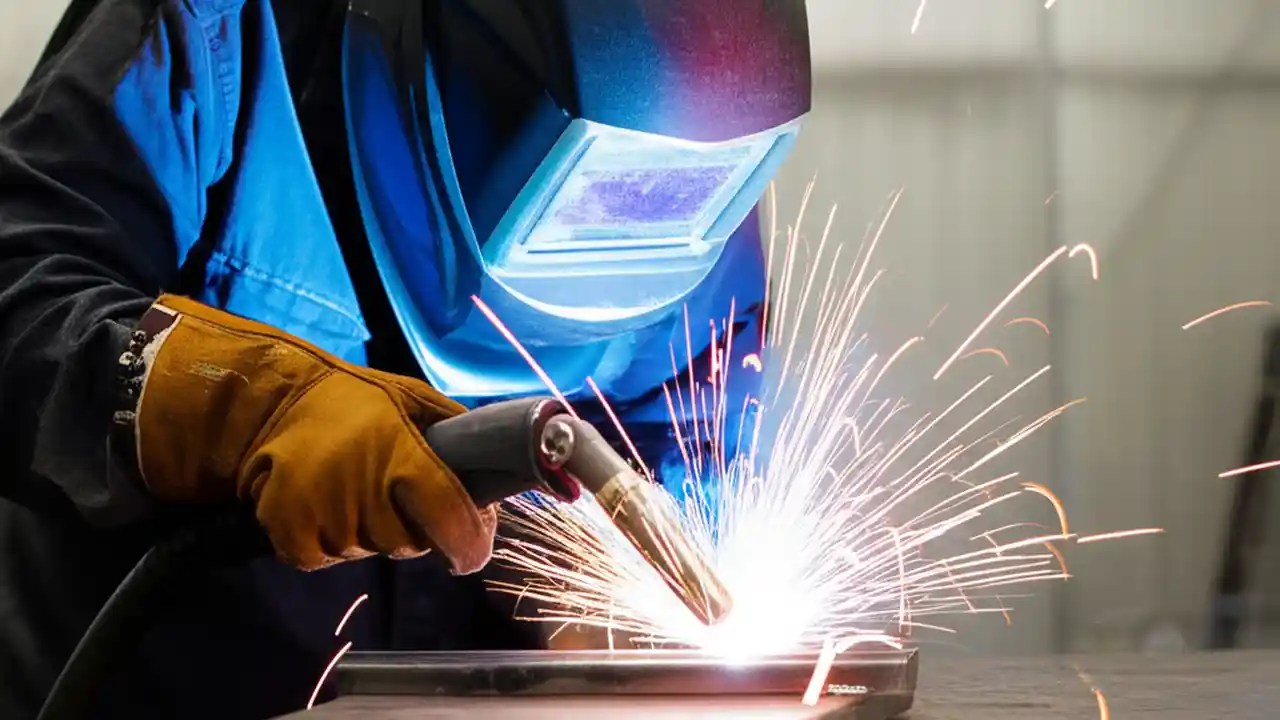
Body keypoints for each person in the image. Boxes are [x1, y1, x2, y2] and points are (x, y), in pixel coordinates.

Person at [0, 0, 811, 717]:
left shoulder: (695, 164)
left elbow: (680, 423)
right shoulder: (218, 30)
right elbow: (20, 294)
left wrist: (618, 605)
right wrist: (244, 407)